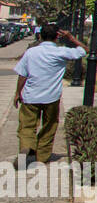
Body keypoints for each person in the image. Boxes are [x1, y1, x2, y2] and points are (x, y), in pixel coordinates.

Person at [12, 25, 87, 168]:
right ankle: (42, 157)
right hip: (51, 96)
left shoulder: (31, 52)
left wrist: (17, 93)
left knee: (26, 125)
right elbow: (85, 50)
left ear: (40, 36)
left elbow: (22, 74)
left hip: (30, 96)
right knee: (49, 125)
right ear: (57, 37)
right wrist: (71, 38)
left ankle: (26, 146)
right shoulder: (61, 52)